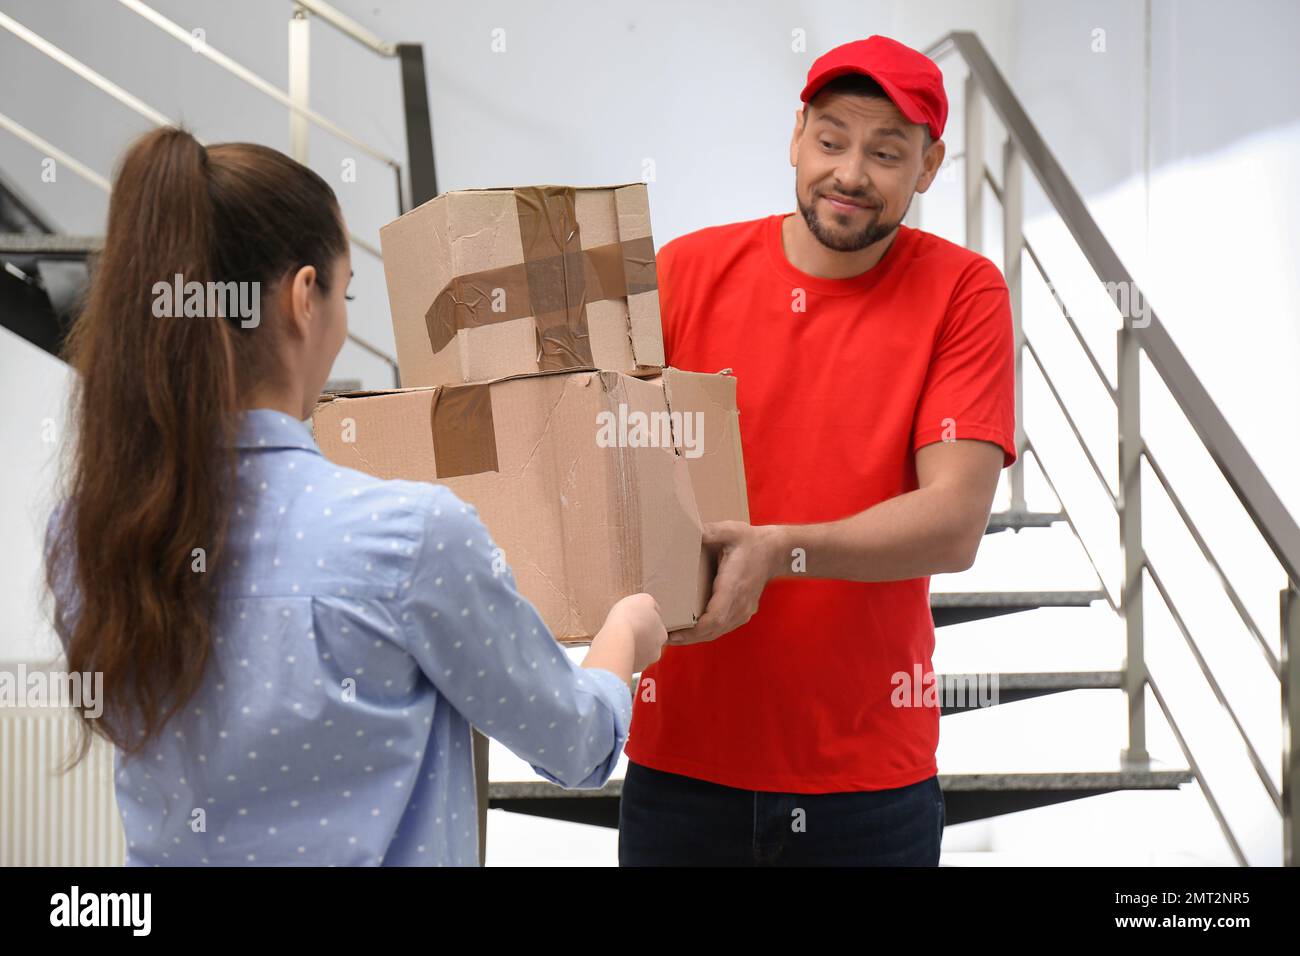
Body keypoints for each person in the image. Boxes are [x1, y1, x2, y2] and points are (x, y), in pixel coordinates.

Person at [42, 126, 667, 867]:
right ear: (304, 298)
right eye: (346, 291)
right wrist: (628, 630)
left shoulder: (89, 535)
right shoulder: (409, 539)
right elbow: (577, 743)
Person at [619, 35, 1016, 866]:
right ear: (796, 136)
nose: (849, 175)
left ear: (931, 165)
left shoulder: (963, 291)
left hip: (865, 779)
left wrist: (779, 550)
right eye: (831, 141)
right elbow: (602, 459)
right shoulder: (687, 271)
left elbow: (954, 524)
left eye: (885, 153)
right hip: (681, 762)